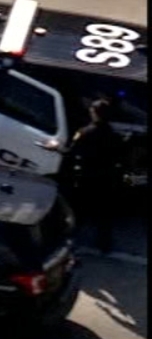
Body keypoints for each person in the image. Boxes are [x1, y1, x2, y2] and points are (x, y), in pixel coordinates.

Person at [64, 99, 125, 254]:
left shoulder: (84, 132)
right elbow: (121, 158)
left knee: (78, 212)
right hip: (107, 179)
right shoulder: (115, 135)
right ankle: (105, 245)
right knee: (104, 215)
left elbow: (71, 152)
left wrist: (55, 148)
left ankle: (68, 242)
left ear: (94, 113)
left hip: (87, 178)